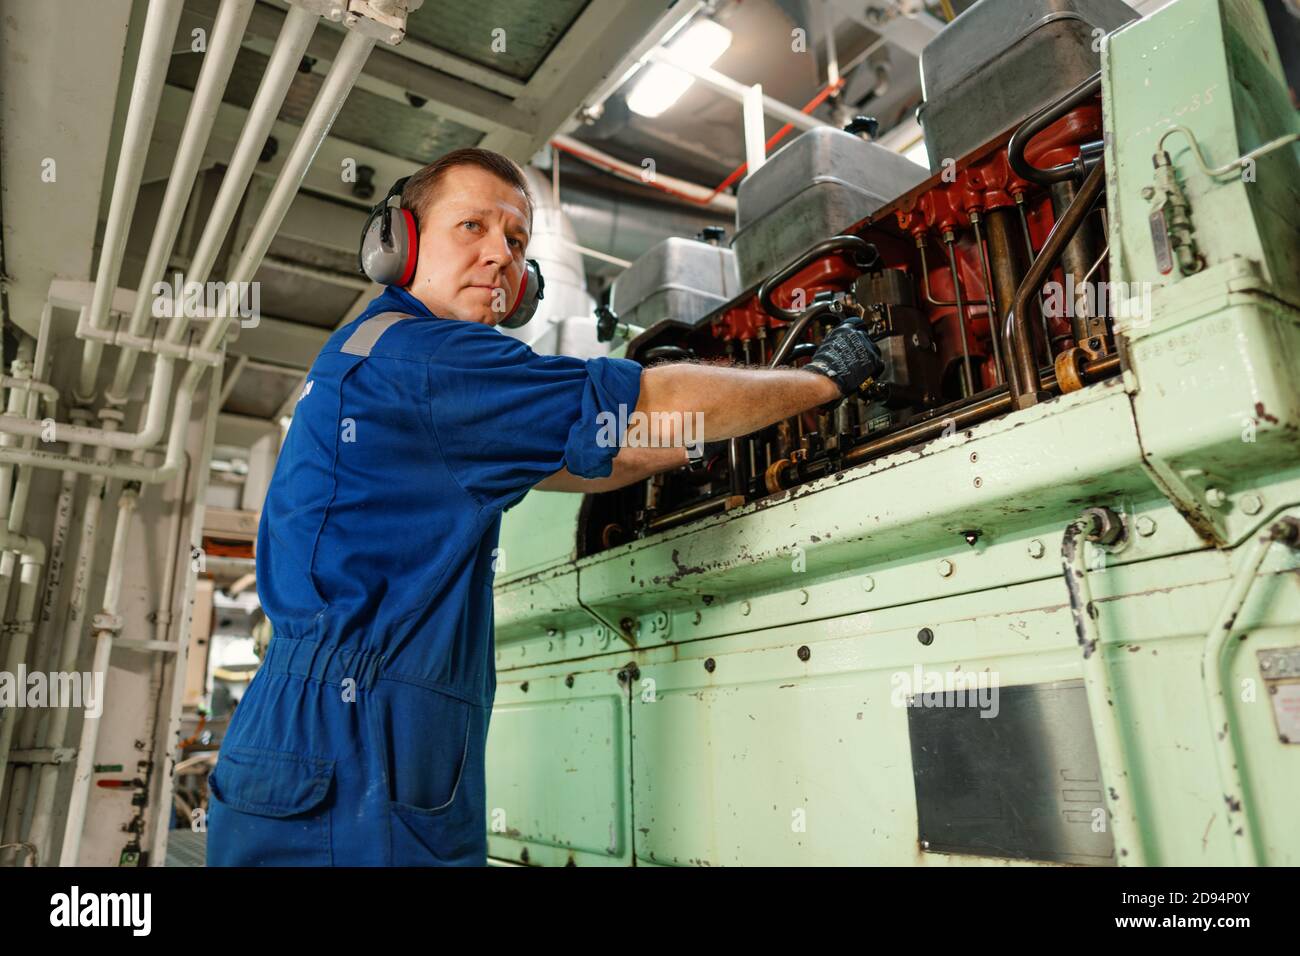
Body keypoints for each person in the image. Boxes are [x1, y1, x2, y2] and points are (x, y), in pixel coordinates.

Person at [205, 147, 882, 866]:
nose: (499, 255)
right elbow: (641, 405)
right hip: (357, 745)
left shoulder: (385, 354)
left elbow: (581, 456)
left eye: (517, 240)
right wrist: (819, 382)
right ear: (398, 244)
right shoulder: (429, 359)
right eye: (471, 227)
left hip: (319, 738)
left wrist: (701, 443)